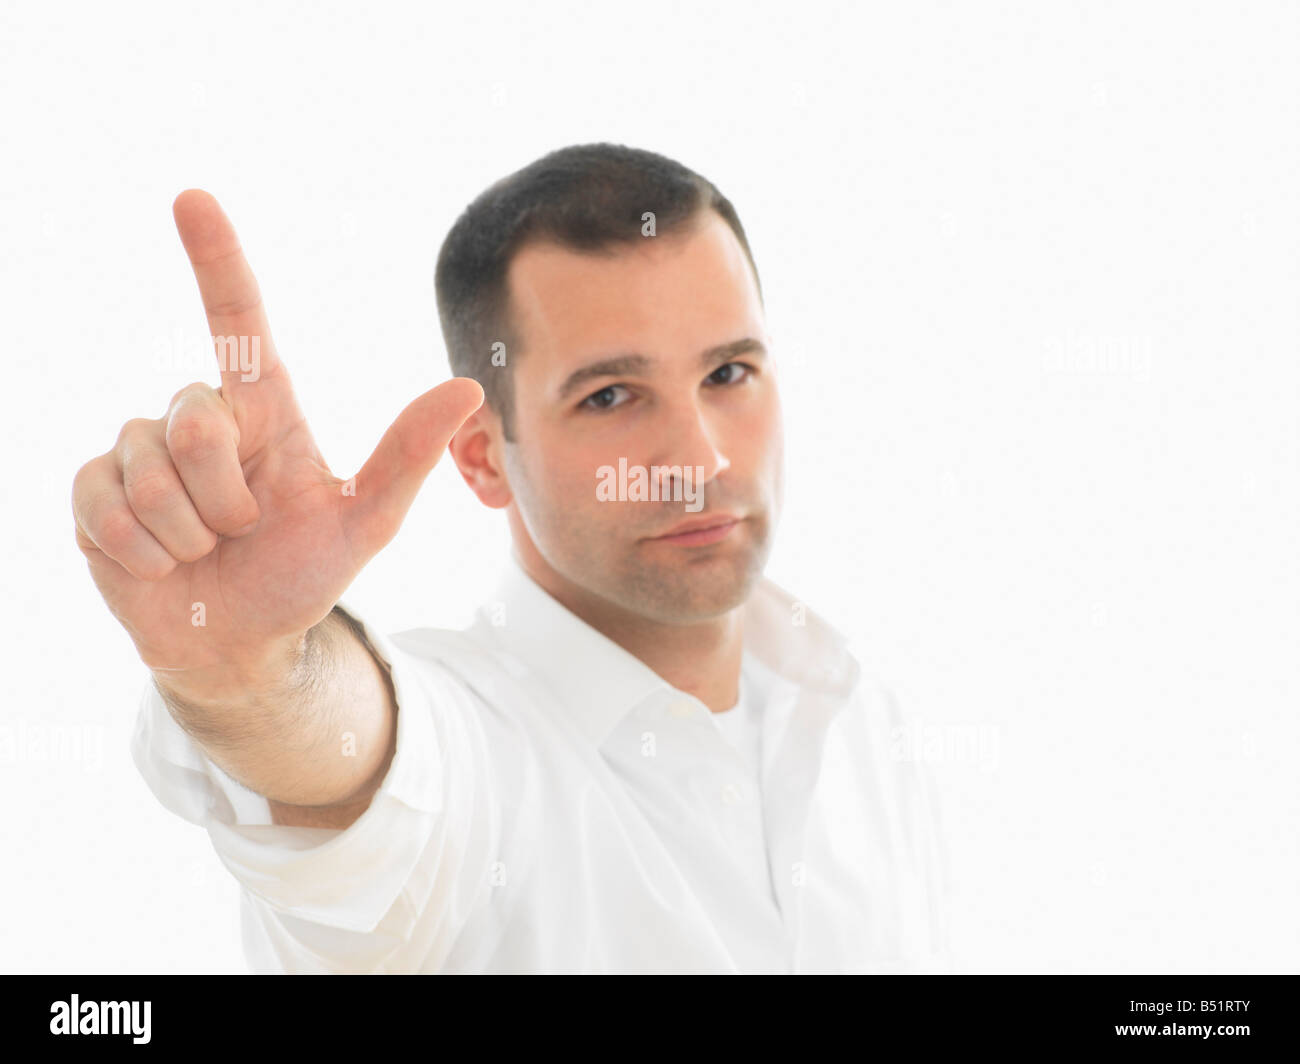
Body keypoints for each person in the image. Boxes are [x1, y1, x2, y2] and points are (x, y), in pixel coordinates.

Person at [71, 143, 953, 974]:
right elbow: (363, 774)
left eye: (728, 374)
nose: (703, 460)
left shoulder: (862, 721)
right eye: (611, 395)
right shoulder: (474, 761)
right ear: (484, 457)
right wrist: (250, 676)